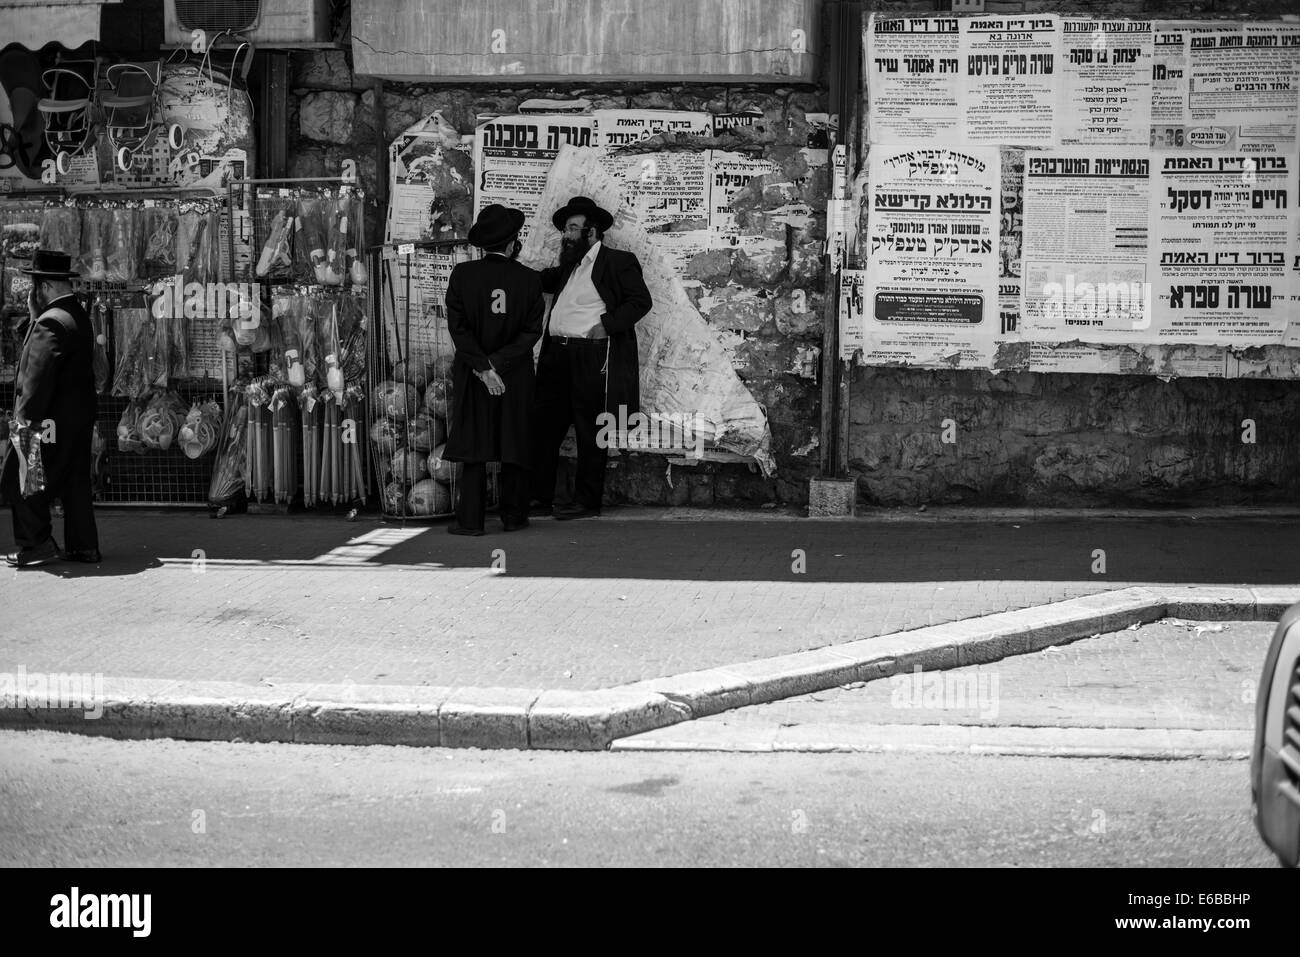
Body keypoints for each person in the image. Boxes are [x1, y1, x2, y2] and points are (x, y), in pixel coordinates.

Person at [530, 196, 652, 520]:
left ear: (592, 231)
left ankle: (587, 502)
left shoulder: (618, 261)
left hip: (590, 355)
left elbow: (640, 301)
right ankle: (540, 498)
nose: (565, 235)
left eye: (572, 228)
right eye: (565, 230)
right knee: (545, 428)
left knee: (590, 429)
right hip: (556, 355)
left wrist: (606, 326)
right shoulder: (569, 267)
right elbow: (540, 280)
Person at [442, 205, 544, 535]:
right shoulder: (530, 280)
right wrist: (498, 365)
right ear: (514, 243)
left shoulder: (462, 275)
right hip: (514, 375)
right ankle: (514, 517)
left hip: (474, 374)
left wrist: (483, 368)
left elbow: (458, 328)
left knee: (475, 445)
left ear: (482, 245)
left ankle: (470, 521)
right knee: (513, 442)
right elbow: (531, 332)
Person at [2, 249, 99, 567]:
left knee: (20, 478)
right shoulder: (77, 315)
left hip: (46, 423)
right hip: (77, 420)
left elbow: (37, 380)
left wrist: (22, 426)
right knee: (75, 484)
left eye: (33, 286)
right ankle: (83, 547)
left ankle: (37, 543)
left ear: (42, 288)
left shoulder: (50, 323)